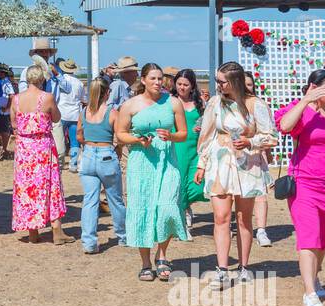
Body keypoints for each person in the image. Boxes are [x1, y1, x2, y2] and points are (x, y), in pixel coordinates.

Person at [194, 62, 275, 288]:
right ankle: (221, 269)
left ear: (235, 82)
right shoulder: (214, 103)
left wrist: (251, 141)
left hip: (248, 163)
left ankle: (244, 267)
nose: (217, 85)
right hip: (220, 163)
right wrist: (202, 164)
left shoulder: (256, 104)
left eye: (222, 81)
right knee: (221, 217)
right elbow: (207, 135)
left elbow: (271, 136)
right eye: (217, 81)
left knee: (243, 218)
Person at [276, 70, 325, 306]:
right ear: (313, 86)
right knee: (309, 235)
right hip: (303, 180)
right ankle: (309, 292)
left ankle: (315, 277)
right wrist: (306, 101)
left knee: (324, 236)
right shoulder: (300, 108)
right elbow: (285, 126)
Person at [115, 63, 189, 281]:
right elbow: (120, 134)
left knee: (167, 206)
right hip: (141, 161)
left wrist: (171, 136)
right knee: (142, 209)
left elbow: (183, 133)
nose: (158, 83)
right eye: (153, 79)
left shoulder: (173, 103)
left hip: (167, 160)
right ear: (143, 80)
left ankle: (162, 255)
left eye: (160, 79)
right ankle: (146, 263)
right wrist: (137, 139)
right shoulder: (130, 105)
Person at [10, 66, 70, 243]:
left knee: (27, 188)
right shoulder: (47, 98)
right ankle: (57, 230)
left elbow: (14, 123)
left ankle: (33, 232)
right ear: (42, 79)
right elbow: (57, 117)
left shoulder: (16, 99)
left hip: (24, 149)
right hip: (43, 146)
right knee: (51, 185)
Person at [76, 77, 125, 253]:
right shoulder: (112, 112)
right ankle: (122, 235)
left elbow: (79, 136)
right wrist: (117, 149)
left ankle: (89, 242)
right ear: (106, 93)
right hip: (106, 155)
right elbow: (119, 138)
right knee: (115, 199)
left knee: (90, 201)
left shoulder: (84, 111)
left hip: (88, 154)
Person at [240, 71, 274, 248]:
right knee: (239, 194)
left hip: (256, 154)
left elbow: (269, 131)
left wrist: (267, 152)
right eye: (244, 84)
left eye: (250, 84)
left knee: (260, 194)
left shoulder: (260, 105)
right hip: (236, 157)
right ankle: (241, 226)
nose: (247, 88)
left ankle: (261, 229)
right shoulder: (231, 105)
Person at [21, 39, 69, 163]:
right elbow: (22, 92)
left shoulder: (56, 71)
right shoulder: (27, 71)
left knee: (59, 152)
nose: (44, 54)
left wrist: (57, 74)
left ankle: (55, 176)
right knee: (35, 152)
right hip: (34, 114)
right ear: (36, 53)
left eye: (46, 51)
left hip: (52, 113)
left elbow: (68, 89)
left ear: (49, 53)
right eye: (41, 51)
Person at [170, 68, 206, 232]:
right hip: (177, 146)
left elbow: (206, 121)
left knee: (197, 185)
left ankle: (186, 207)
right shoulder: (169, 101)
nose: (182, 87)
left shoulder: (199, 103)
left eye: (186, 84)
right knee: (179, 182)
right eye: (179, 84)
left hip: (195, 148)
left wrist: (202, 127)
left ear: (192, 86)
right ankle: (182, 222)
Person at [55, 58, 88, 166]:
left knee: (59, 138)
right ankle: (73, 163)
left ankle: (59, 160)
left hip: (62, 113)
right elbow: (84, 99)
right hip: (75, 114)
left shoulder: (60, 80)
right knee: (75, 140)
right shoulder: (79, 83)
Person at [0, 64, 17, 160]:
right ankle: (4, 148)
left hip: (3, 110)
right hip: (0, 109)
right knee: (0, 130)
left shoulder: (7, 83)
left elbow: (12, 96)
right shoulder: (1, 82)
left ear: (2, 73)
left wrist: (7, 107)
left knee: (3, 131)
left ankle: (5, 149)